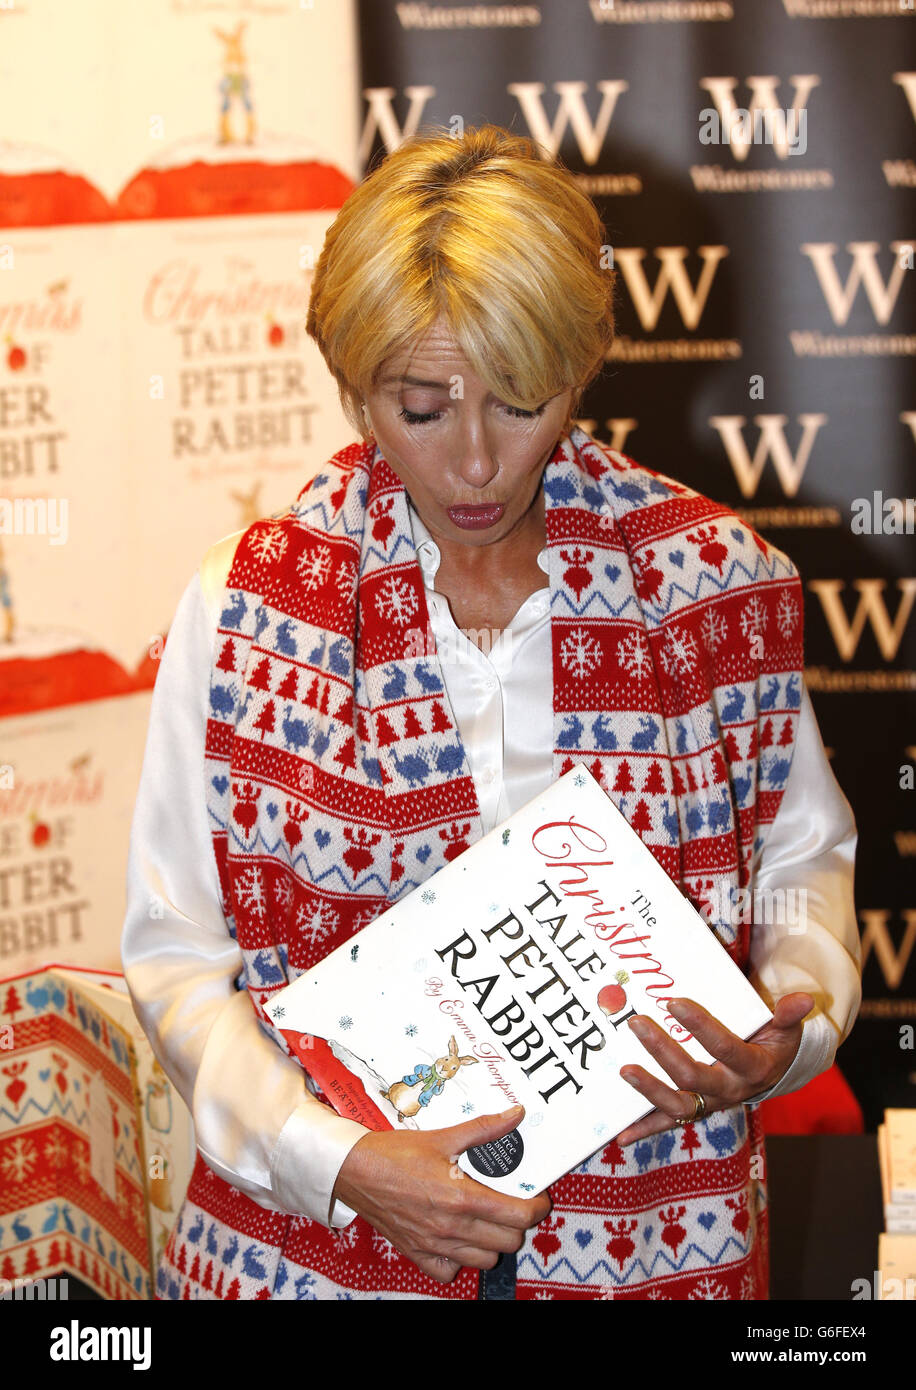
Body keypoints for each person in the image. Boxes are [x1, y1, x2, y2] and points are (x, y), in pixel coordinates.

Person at [121, 125, 860, 1301]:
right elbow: (176, 960)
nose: (474, 463)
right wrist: (340, 1159)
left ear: (584, 364)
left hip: (654, 1234)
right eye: (419, 408)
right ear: (354, 382)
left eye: (521, 403)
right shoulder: (249, 605)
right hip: (311, 1258)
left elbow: (803, 858)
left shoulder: (712, 583)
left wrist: (790, 1020)